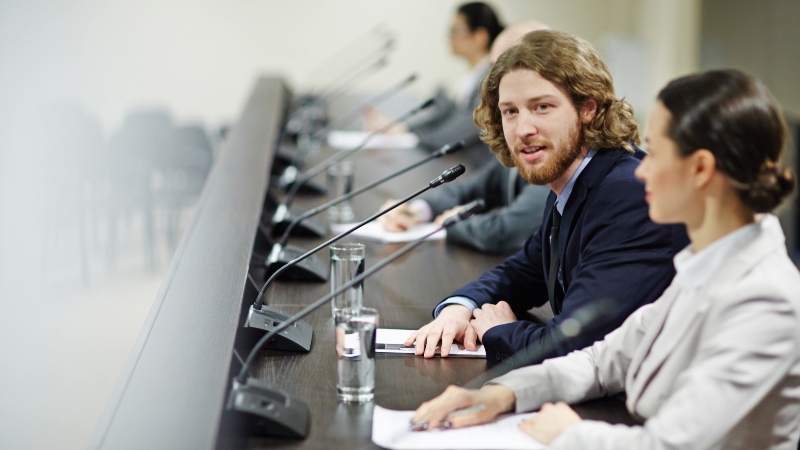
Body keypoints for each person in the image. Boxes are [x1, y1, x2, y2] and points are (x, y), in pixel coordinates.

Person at [410, 69, 800, 449]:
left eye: (656, 153)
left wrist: (568, 434)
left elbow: (670, 444)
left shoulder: (766, 300)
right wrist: (503, 394)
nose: (641, 170)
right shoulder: (705, 265)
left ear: (700, 169)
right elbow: (603, 360)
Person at [404, 29, 688, 363]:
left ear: (588, 108)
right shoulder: (571, 180)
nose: (523, 129)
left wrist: (498, 330)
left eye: (542, 107)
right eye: (510, 111)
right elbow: (523, 272)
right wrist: (458, 308)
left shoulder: (629, 194)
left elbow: (577, 343)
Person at [378, 20, 552, 255]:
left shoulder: (550, 144)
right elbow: (470, 189)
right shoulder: (516, 137)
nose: (496, 82)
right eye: (495, 70)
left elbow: (513, 229)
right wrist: (418, 211)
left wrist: (453, 225)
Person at [365, 2, 504, 169]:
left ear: (480, 37)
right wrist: (403, 129)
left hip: (475, 173)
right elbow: (445, 119)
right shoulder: (473, 77)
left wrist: (411, 136)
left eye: (456, 31)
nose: (449, 37)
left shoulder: (490, 81)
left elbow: (455, 133)